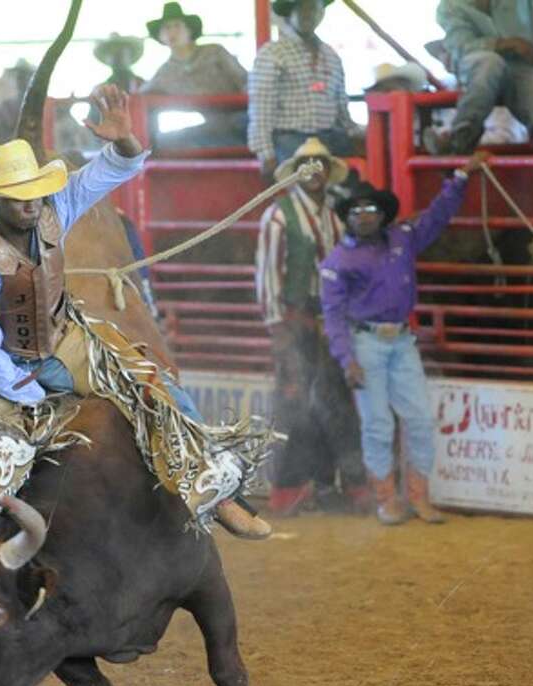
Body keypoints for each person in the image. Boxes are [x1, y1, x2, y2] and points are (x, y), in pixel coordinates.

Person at [0, 84, 271, 539]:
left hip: (66, 340)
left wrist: (123, 140)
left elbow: (110, 171)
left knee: (157, 388)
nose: (31, 203)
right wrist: (26, 397)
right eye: (18, 196)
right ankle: (2, 553)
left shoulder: (50, 210)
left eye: (34, 192)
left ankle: (213, 490)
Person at [320, 150, 490, 525]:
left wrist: (459, 178)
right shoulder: (338, 262)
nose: (364, 217)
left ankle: (416, 495)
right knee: (379, 422)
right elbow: (332, 315)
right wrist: (346, 358)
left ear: (381, 215)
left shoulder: (402, 238)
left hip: (399, 340)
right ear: (347, 217)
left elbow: (436, 217)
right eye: (357, 211)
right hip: (366, 343)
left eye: (370, 211)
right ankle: (387, 498)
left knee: (419, 418)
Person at [255, 138, 367, 516]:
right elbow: (268, 276)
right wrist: (278, 330)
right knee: (295, 403)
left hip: (329, 322)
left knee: (333, 405)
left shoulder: (333, 216)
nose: (315, 169)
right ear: (298, 171)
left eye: (321, 162)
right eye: (309, 163)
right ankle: (290, 488)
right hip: (295, 322)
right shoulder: (278, 216)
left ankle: (324, 483)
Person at [433, 0, 533, 156]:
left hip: (520, 66)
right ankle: (456, 147)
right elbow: (462, 47)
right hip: (481, 66)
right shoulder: (450, 6)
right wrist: (507, 44)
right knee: (488, 64)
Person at [248, 0, 359, 178]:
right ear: (290, 12)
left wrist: (358, 134)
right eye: (303, 8)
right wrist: (266, 154)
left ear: (322, 13)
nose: (310, 14)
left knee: (357, 172)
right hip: (290, 139)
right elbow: (261, 110)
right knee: (307, 181)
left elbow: (341, 109)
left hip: (329, 136)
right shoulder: (273, 53)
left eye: (315, 8)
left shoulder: (330, 55)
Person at [140, 2, 249, 149]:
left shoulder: (215, 52)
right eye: (166, 28)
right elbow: (141, 95)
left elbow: (246, 81)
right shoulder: (165, 73)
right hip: (213, 129)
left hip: (243, 120)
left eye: (177, 25)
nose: (172, 32)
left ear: (189, 30)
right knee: (163, 141)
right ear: (160, 36)